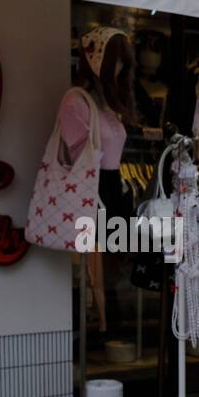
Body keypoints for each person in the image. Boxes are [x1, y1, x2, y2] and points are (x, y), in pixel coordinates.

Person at [61, 27, 139, 332]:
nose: (120, 69)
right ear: (98, 60)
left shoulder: (108, 104)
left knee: (116, 270)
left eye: (124, 62)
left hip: (113, 187)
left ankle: (114, 330)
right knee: (94, 270)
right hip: (91, 190)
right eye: (116, 60)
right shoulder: (76, 102)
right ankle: (100, 331)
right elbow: (75, 158)